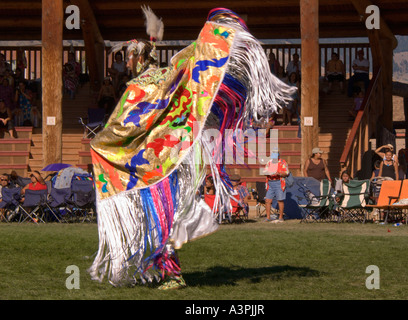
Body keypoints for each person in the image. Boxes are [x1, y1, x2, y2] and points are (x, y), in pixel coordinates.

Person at [88, 7, 297, 291]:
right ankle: (161, 270)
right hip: (154, 160)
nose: (129, 64)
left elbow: (134, 121)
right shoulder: (155, 80)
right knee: (159, 220)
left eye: (131, 58)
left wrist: (105, 143)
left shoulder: (153, 81)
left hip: (164, 158)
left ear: (140, 59)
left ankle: (171, 274)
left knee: (165, 219)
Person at [263, 149, 289, 222]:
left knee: (280, 200)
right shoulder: (269, 162)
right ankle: (268, 217)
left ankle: (281, 217)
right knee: (268, 200)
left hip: (279, 182)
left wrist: (279, 173)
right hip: (270, 182)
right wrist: (268, 172)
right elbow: (265, 171)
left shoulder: (282, 162)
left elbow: (286, 173)